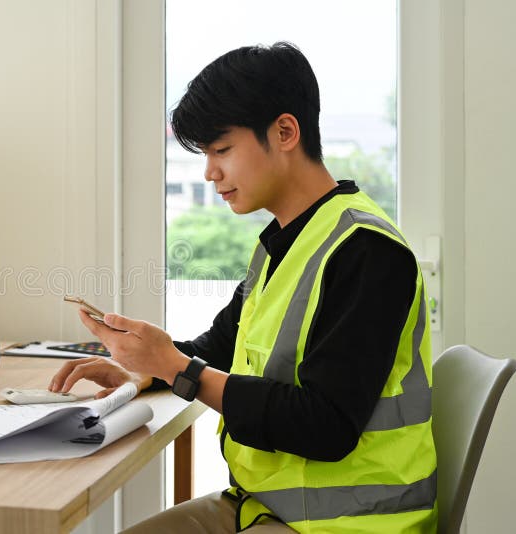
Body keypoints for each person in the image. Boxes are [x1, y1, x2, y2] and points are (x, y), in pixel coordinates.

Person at [49, 42, 437, 533]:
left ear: (285, 132)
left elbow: (327, 426)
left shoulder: (366, 251)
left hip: (348, 523)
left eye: (222, 150)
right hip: (264, 505)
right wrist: (142, 368)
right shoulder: (282, 243)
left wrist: (176, 367)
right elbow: (218, 349)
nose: (210, 172)